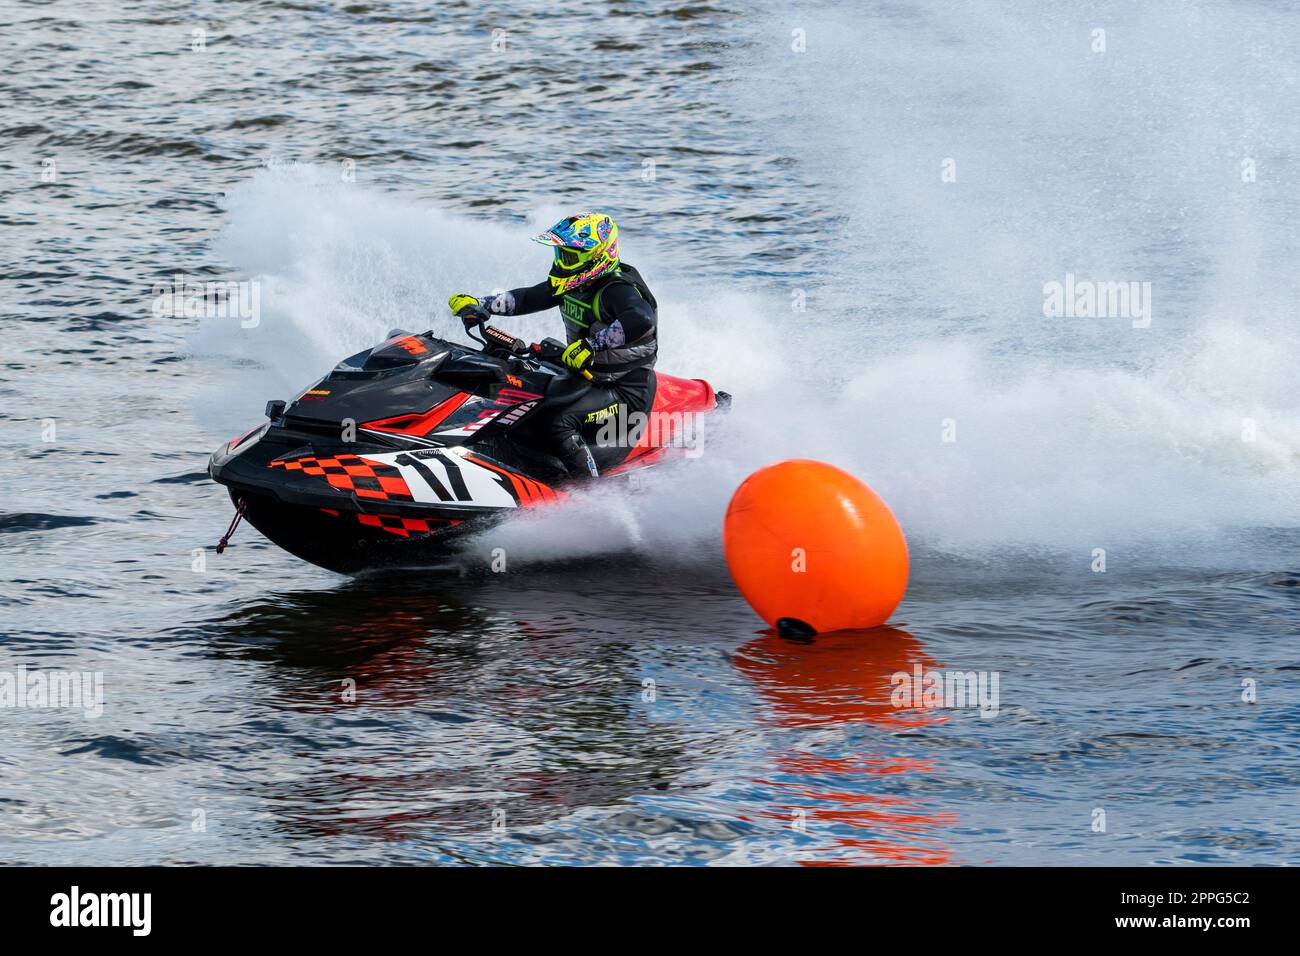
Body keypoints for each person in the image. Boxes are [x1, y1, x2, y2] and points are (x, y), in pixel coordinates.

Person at [447, 212, 657, 479]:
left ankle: (590, 494)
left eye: (568, 256)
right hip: (587, 377)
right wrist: (480, 303)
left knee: (557, 422)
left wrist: (592, 345)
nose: (560, 262)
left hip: (626, 392)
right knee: (514, 393)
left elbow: (641, 319)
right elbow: (527, 298)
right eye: (560, 254)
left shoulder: (618, 290)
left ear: (596, 255)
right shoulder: (575, 282)